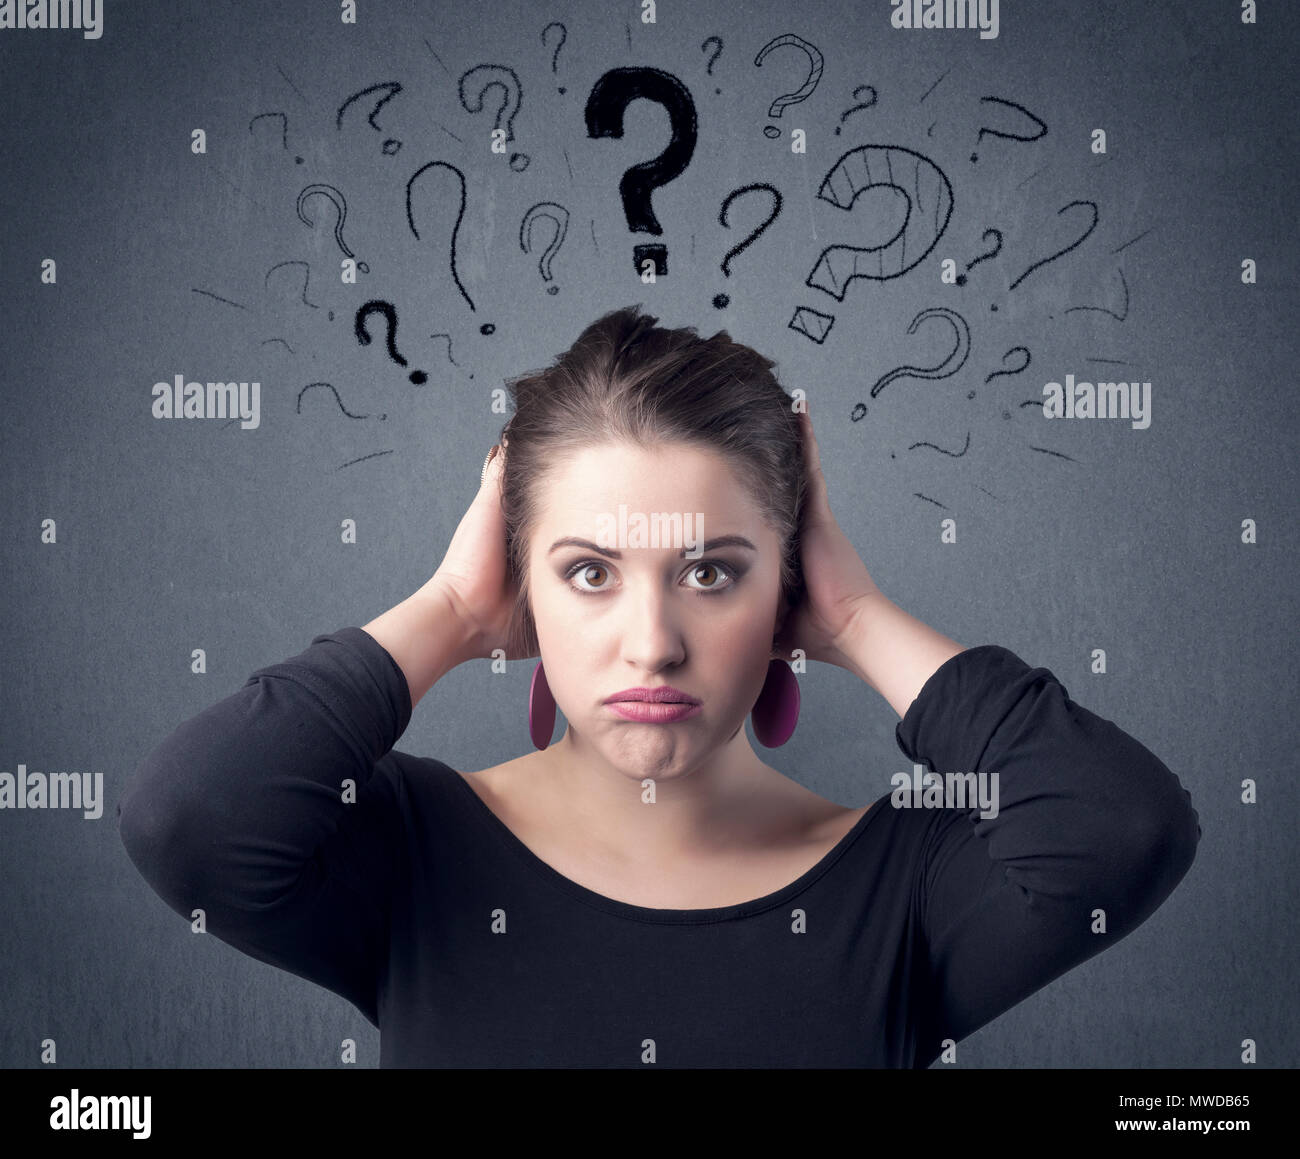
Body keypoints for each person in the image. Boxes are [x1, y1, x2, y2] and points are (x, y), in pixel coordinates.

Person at [117, 305, 1200, 1067]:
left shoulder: (905, 884)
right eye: (588, 571)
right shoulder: (411, 850)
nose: (652, 643)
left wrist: (861, 619)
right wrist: (449, 609)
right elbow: (189, 817)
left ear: (788, 589)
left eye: (711, 572)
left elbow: (1123, 826)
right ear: (520, 582)